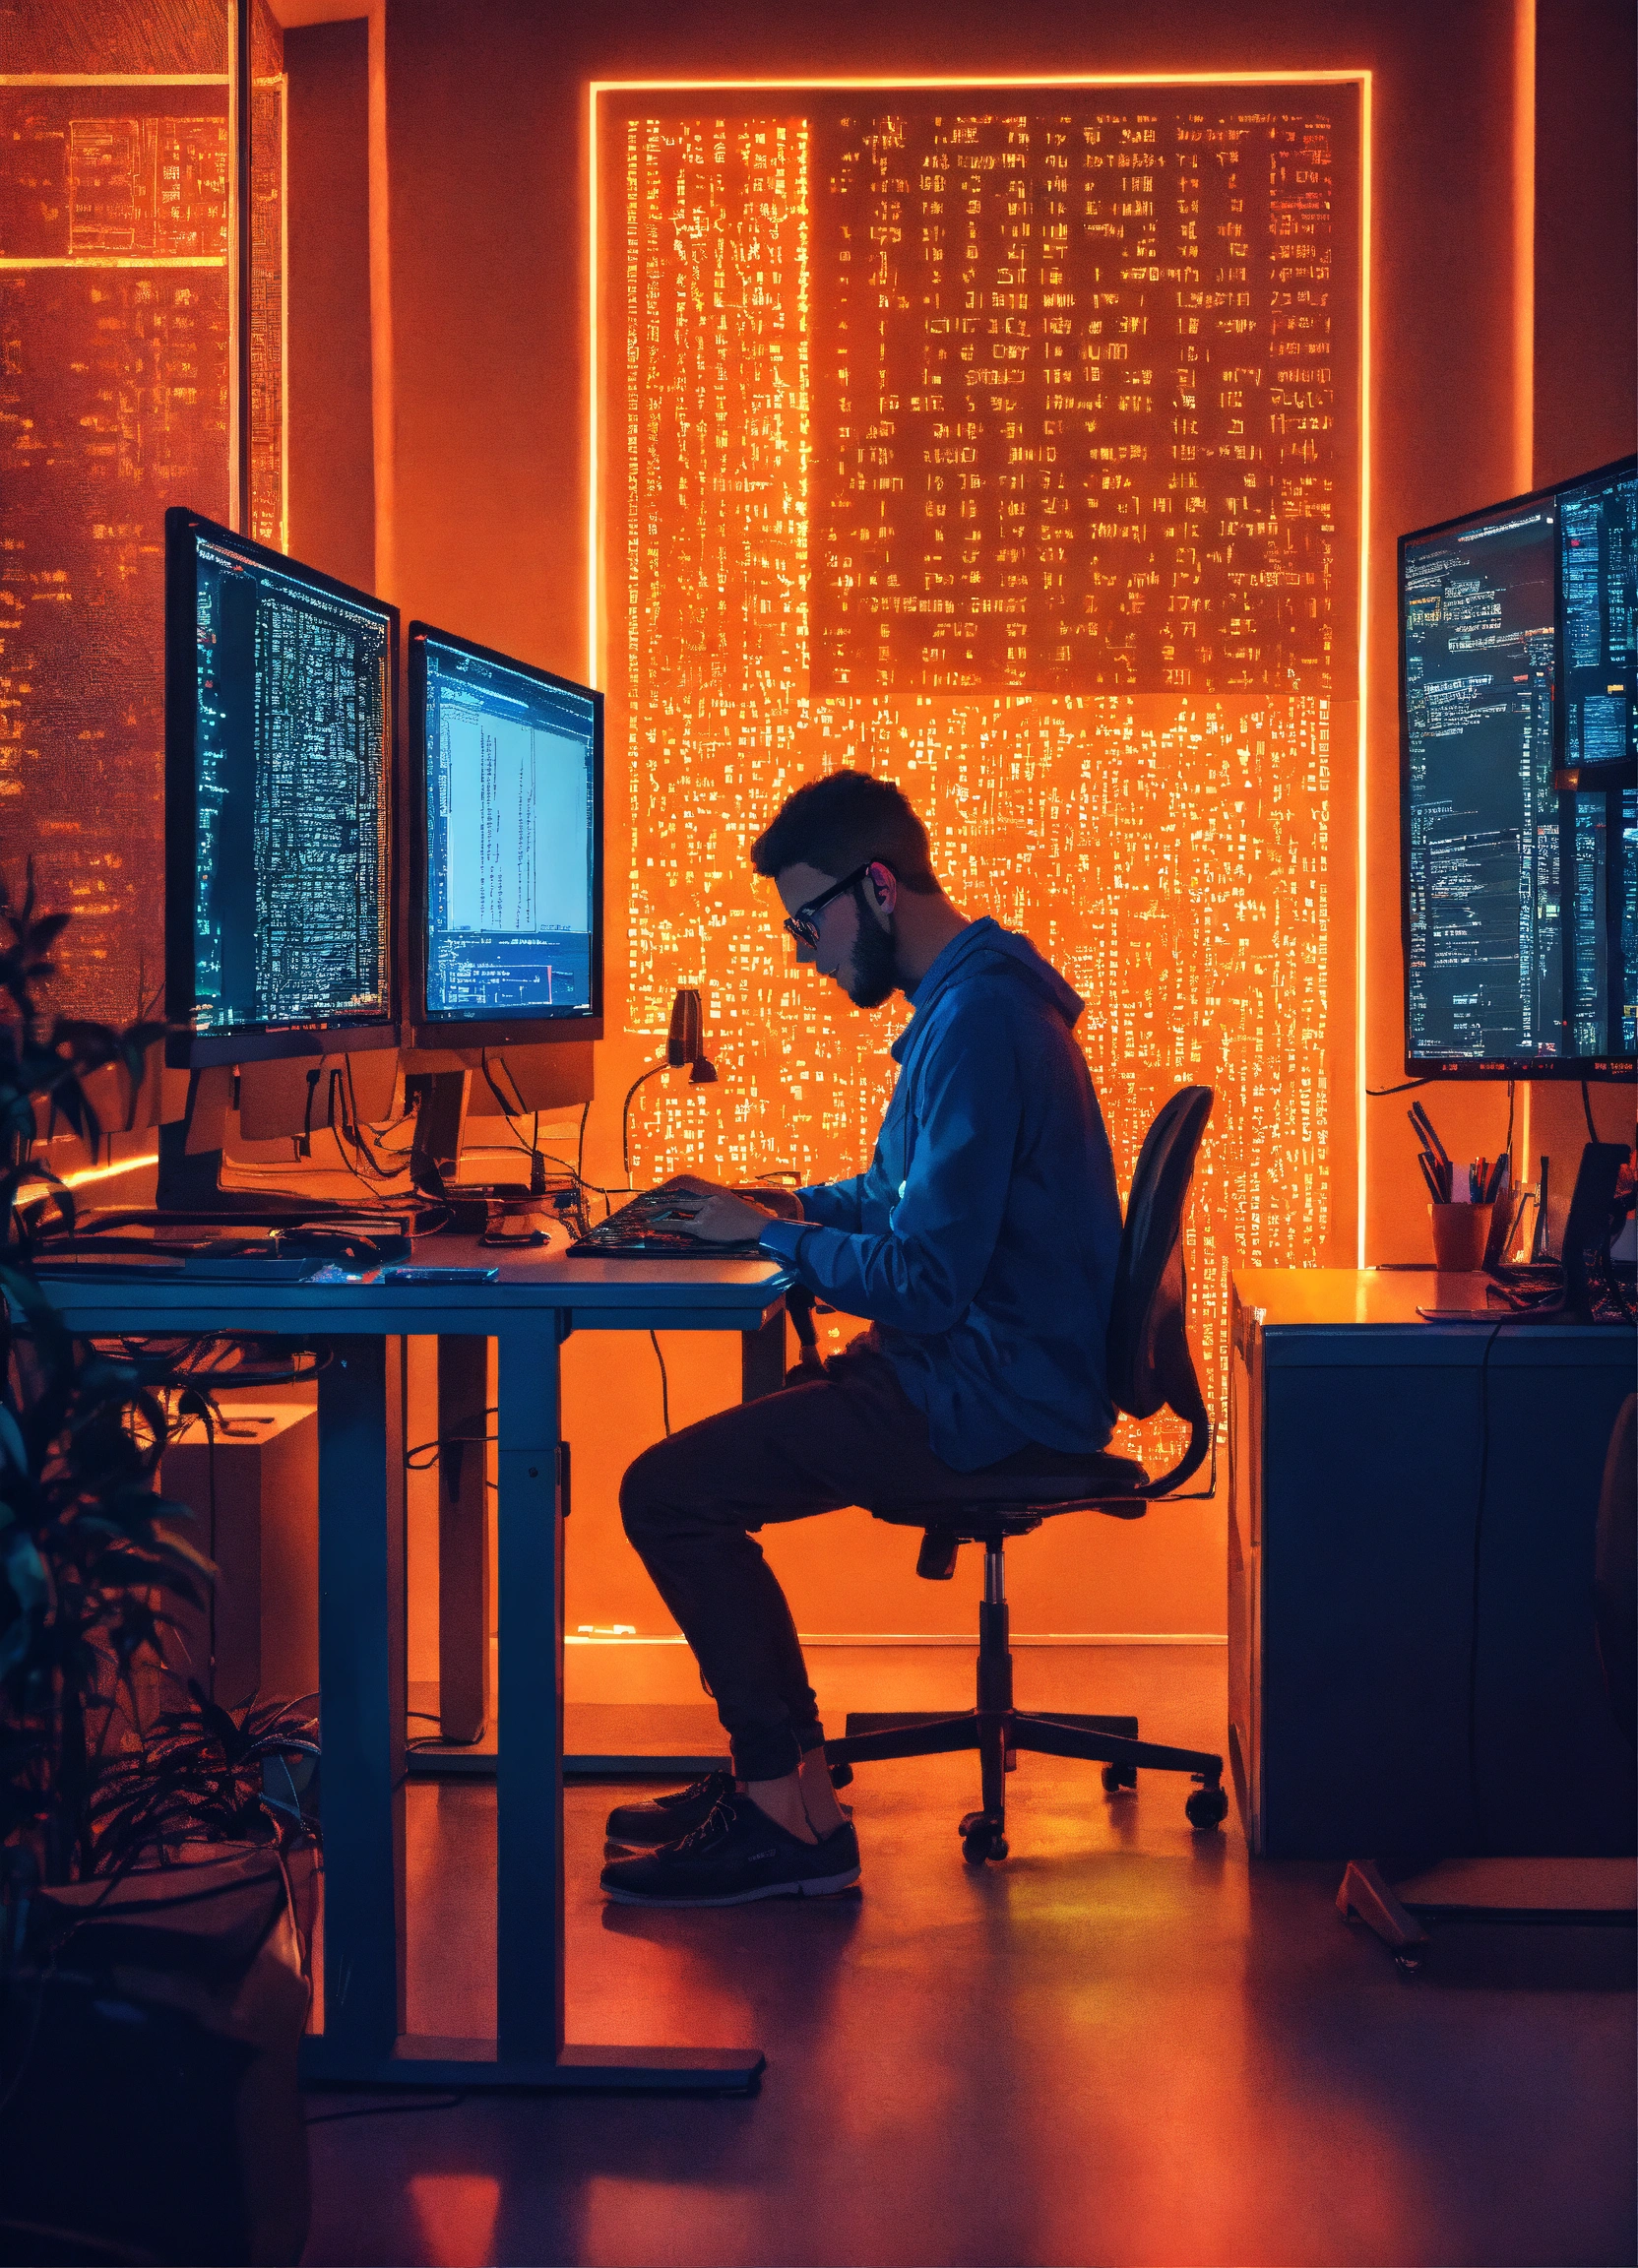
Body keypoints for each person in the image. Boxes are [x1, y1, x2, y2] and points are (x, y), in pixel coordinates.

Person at [600, 771, 1123, 1908]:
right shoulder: (968, 1001)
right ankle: (784, 1788)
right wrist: (778, 1206)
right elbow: (898, 1194)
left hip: (979, 1395)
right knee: (699, 1480)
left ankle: (784, 1817)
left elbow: (926, 1282)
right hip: (976, 1374)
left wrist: (775, 1241)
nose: (801, 953)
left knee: (668, 1494)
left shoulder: (980, 1021)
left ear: (874, 887)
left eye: (805, 921)